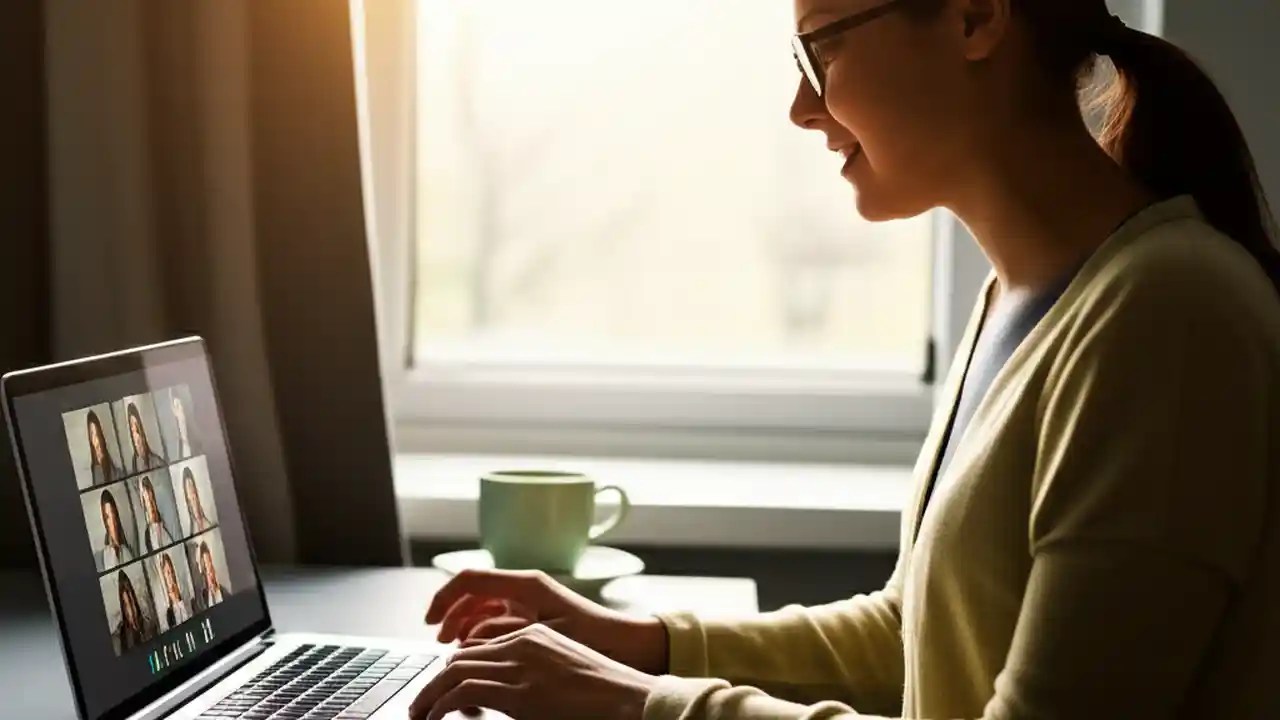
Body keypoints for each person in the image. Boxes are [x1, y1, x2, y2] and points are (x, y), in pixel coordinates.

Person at [409, 1, 1280, 719]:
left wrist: (646, 704)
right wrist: (633, 641)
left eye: (818, 49)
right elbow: (915, 635)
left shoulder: (1168, 313)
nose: (801, 104)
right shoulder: (1020, 301)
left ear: (976, 18)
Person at [111, 570, 153, 653]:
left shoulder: (148, 625)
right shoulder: (120, 637)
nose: (130, 611)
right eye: (126, 605)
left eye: (131, 602)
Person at [97, 489, 135, 572]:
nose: (112, 522)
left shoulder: (127, 551)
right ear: (105, 521)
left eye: (113, 514)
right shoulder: (101, 557)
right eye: (108, 517)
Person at [124, 402, 165, 474]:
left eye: (137, 427)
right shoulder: (134, 466)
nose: (136, 435)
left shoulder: (157, 462)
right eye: (132, 429)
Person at [85, 409, 121, 487]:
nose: (95, 438)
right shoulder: (94, 468)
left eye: (96, 432)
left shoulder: (113, 465)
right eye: (92, 434)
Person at [138, 476, 174, 552]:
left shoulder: (166, 528)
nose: (151, 506)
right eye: (148, 502)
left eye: (152, 500)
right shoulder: (147, 537)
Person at [157, 553, 192, 629]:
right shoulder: (168, 611)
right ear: (164, 576)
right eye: (168, 573)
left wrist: (178, 601)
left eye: (171, 572)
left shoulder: (184, 597)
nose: (171, 576)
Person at [193, 541, 227, 611]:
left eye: (211, 567)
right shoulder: (200, 601)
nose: (210, 574)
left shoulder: (225, 593)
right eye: (206, 569)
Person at [181, 468, 215, 535]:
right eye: (188, 488)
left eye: (192, 487)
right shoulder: (192, 531)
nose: (192, 493)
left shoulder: (209, 524)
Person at [169, 393, 197, 459]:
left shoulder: (196, 437)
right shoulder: (176, 447)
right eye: (177, 406)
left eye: (182, 405)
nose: (181, 409)